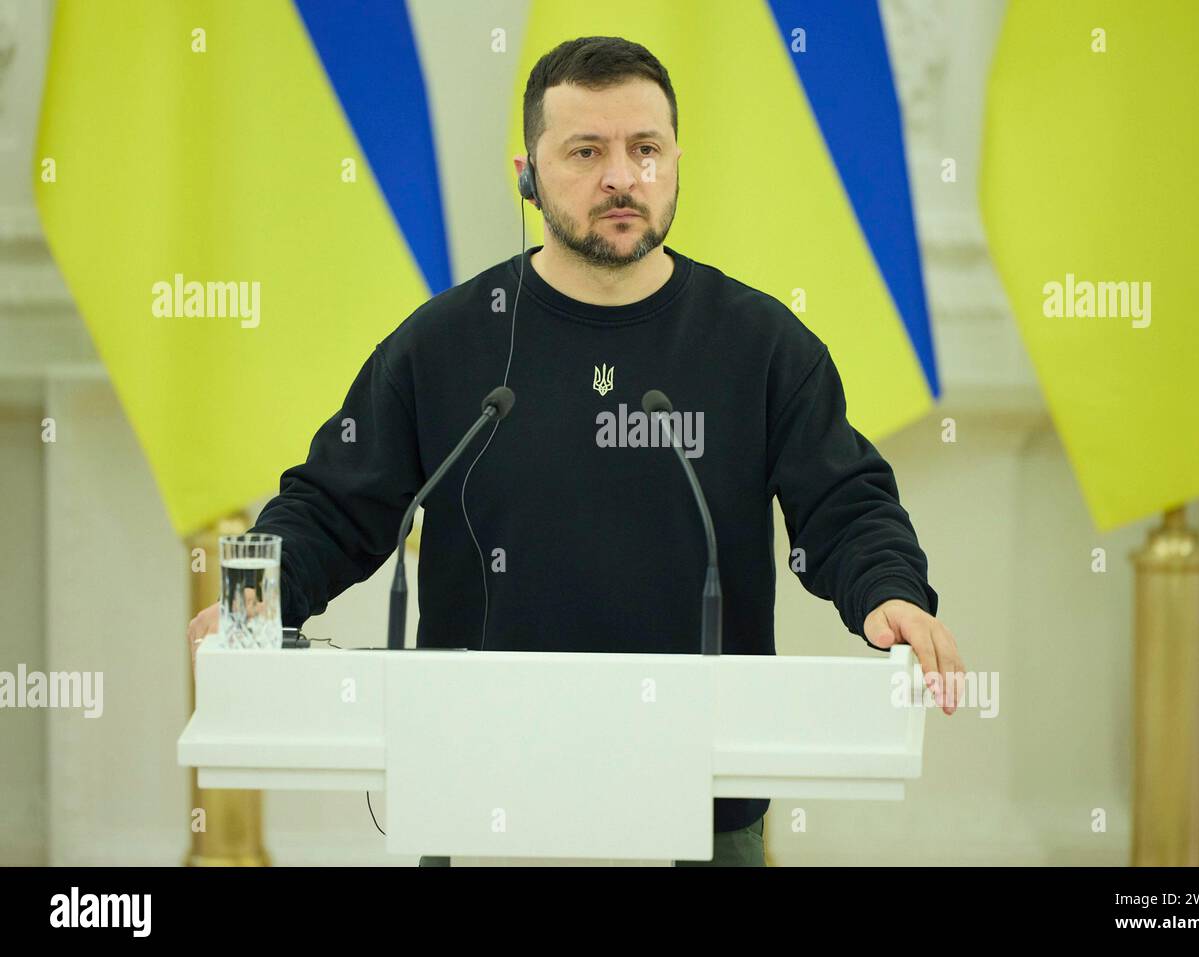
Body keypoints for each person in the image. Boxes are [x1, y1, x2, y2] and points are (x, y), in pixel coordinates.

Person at [187, 36, 966, 867]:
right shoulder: (446, 343)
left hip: (701, 802)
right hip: (475, 787)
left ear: (675, 161)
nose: (621, 177)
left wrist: (889, 591)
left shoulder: (762, 345)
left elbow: (845, 505)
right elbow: (332, 505)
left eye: (645, 149)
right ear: (527, 172)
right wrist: (256, 599)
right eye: (586, 151)